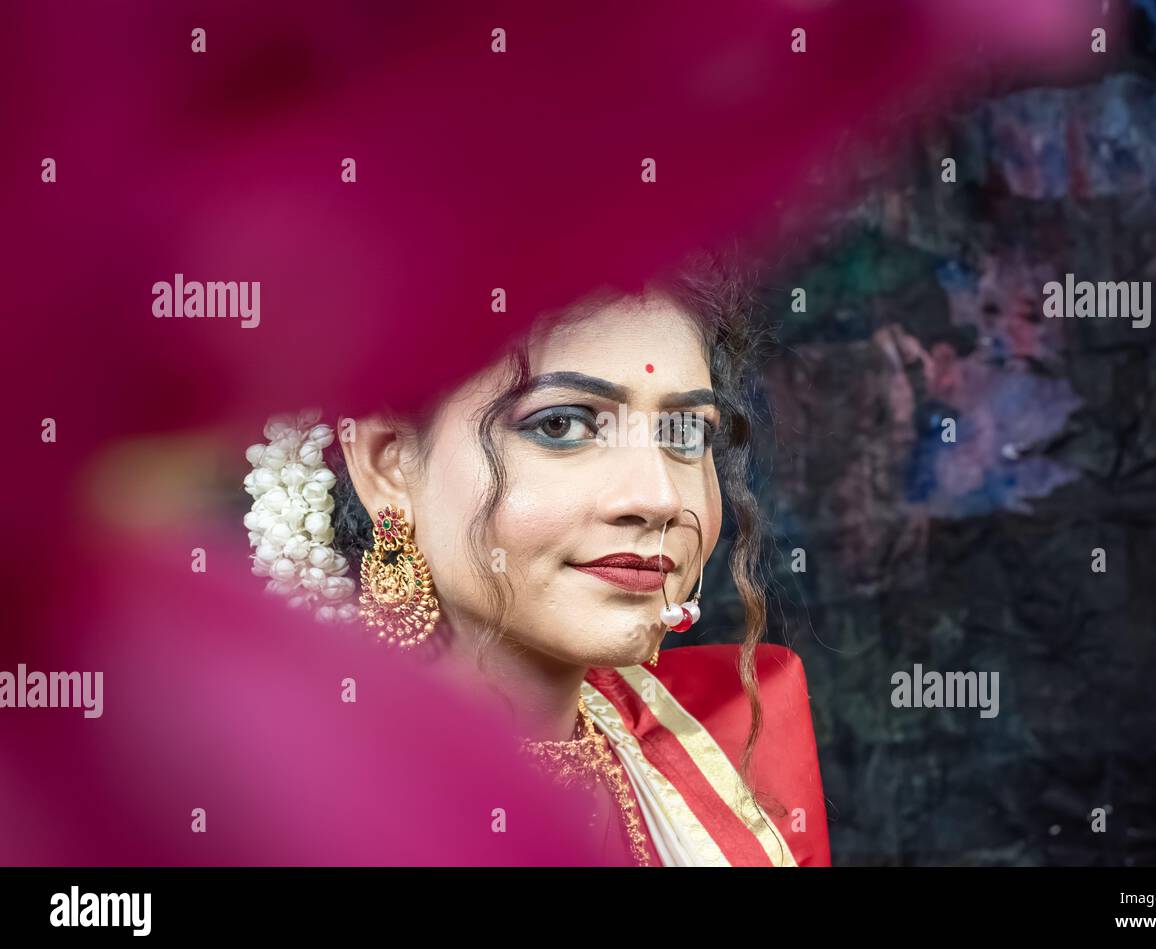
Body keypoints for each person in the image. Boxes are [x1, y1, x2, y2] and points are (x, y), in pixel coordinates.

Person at [243, 251, 831, 865]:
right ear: (389, 464)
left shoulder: (730, 744)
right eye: (562, 425)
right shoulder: (255, 804)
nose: (659, 499)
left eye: (685, 432)